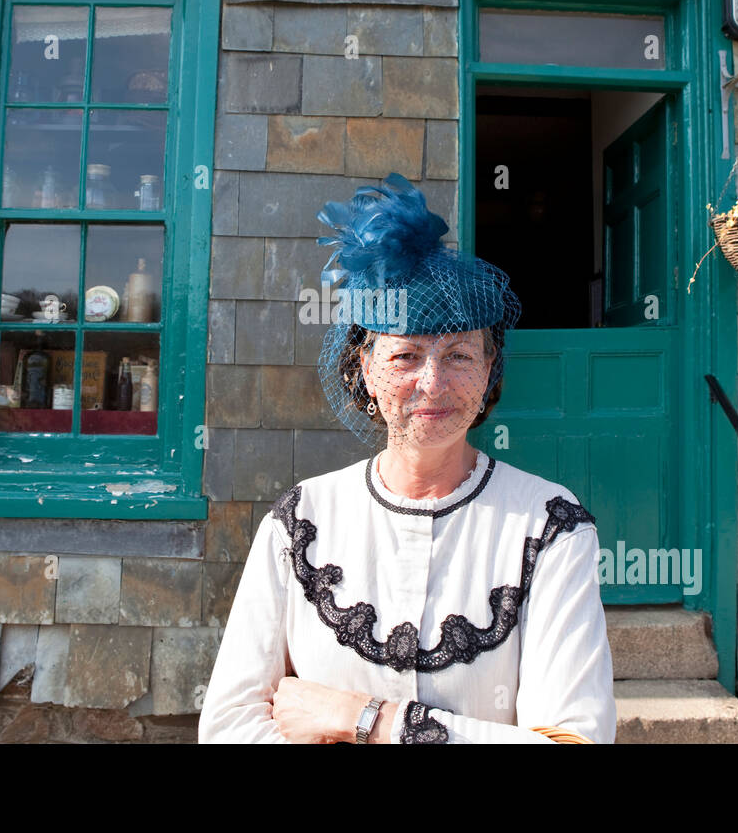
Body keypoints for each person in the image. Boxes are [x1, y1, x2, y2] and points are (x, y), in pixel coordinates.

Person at [198, 173, 615, 743]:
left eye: (461, 354)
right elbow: (228, 729)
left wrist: (367, 720)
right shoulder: (300, 522)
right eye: (406, 355)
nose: (434, 382)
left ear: (491, 370)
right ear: (365, 369)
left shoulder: (550, 527)